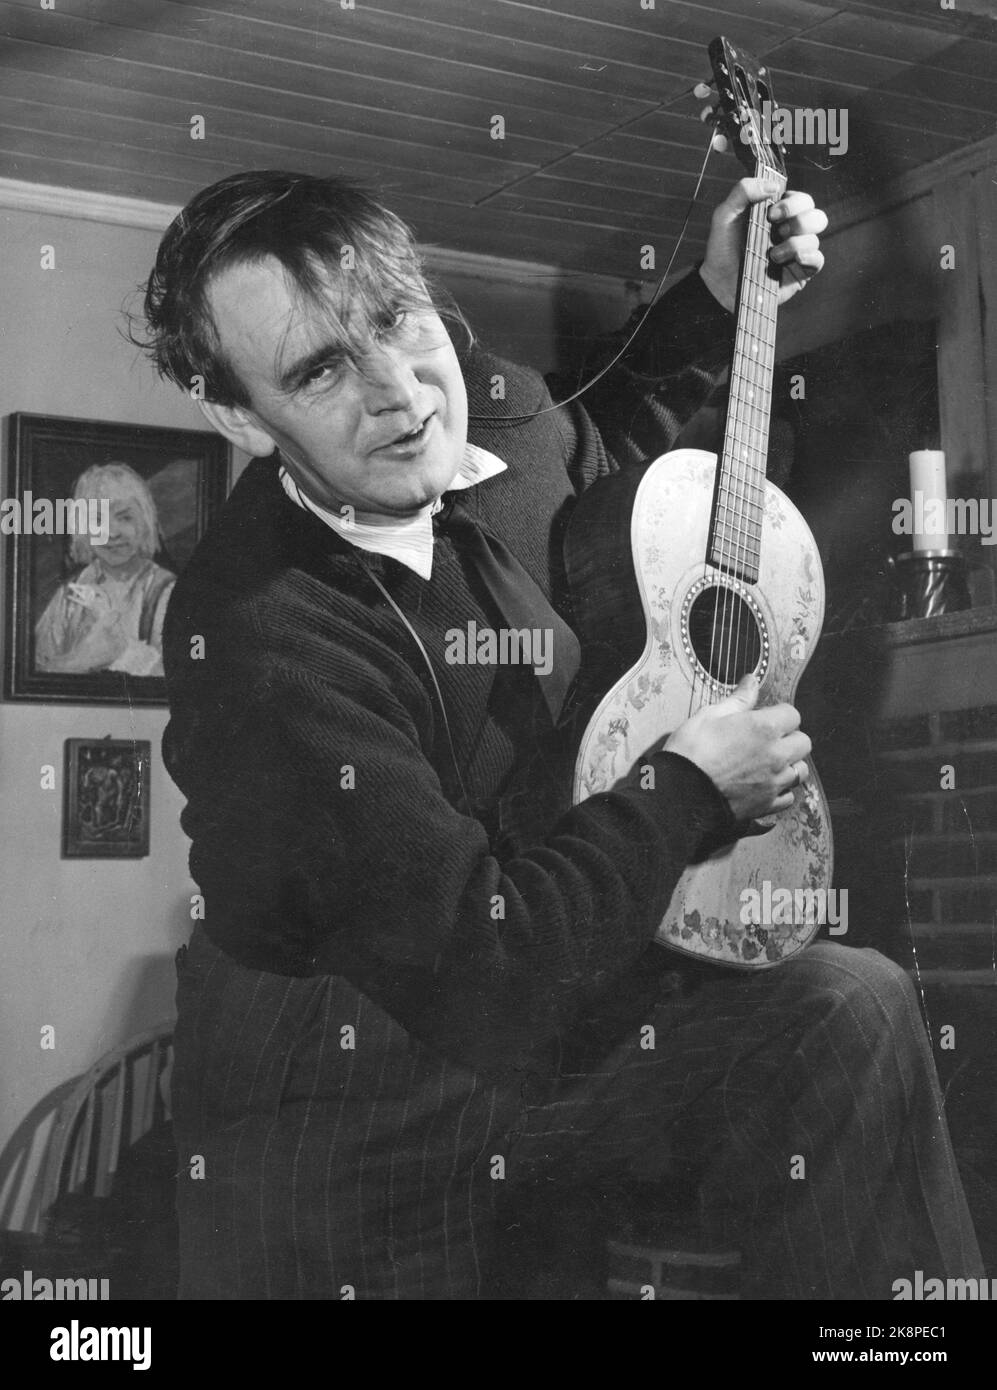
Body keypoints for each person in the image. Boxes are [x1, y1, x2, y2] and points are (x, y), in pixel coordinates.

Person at [139, 169, 983, 1300]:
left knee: (851, 1003)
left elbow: (588, 432)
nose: (401, 395)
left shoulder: (479, 405)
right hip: (349, 1086)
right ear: (241, 414)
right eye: (321, 369)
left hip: (554, 994)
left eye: (395, 320)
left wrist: (714, 296)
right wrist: (687, 791)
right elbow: (485, 967)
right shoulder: (258, 640)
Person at [34, 462, 175, 677]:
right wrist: (83, 659)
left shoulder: (165, 592)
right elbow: (35, 669)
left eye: (125, 517)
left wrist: (122, 650)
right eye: (97, 520)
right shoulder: (69, 596)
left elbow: (183, 679)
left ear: (145, 521)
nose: (112, 532)